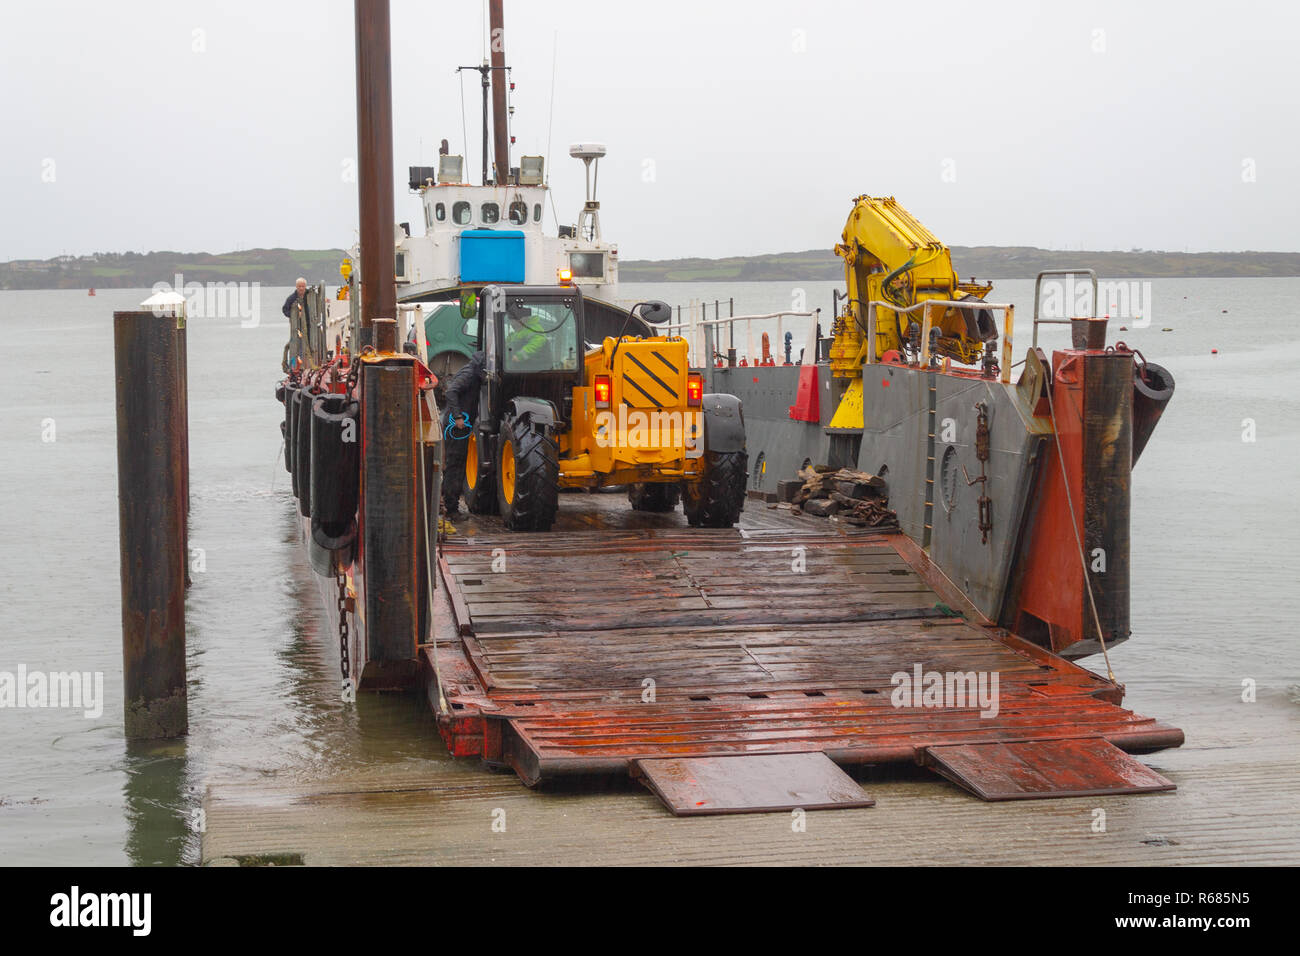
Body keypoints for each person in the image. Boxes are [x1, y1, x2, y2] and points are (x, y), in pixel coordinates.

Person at [440, 350, 486, 515]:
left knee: (456, 465)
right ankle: (451, 508)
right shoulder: (470, 373)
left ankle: (448, 503)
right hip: (457, 425)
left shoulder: (473, 371)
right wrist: (458, 416)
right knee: (455, 466)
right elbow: (451, 391)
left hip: (462, 424)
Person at [282, 278, 311, 371]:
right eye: (299, 286)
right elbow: (284, 309)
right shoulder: (291, 298)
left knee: (309, 342)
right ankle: (297, 365)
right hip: (296, 327)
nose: (301, 288)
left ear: (305, 286)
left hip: (309, 325)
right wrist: (293, 315)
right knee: (297, 344)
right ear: (296, 287)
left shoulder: (310, 296)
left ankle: (308, 361)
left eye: (303, 286)